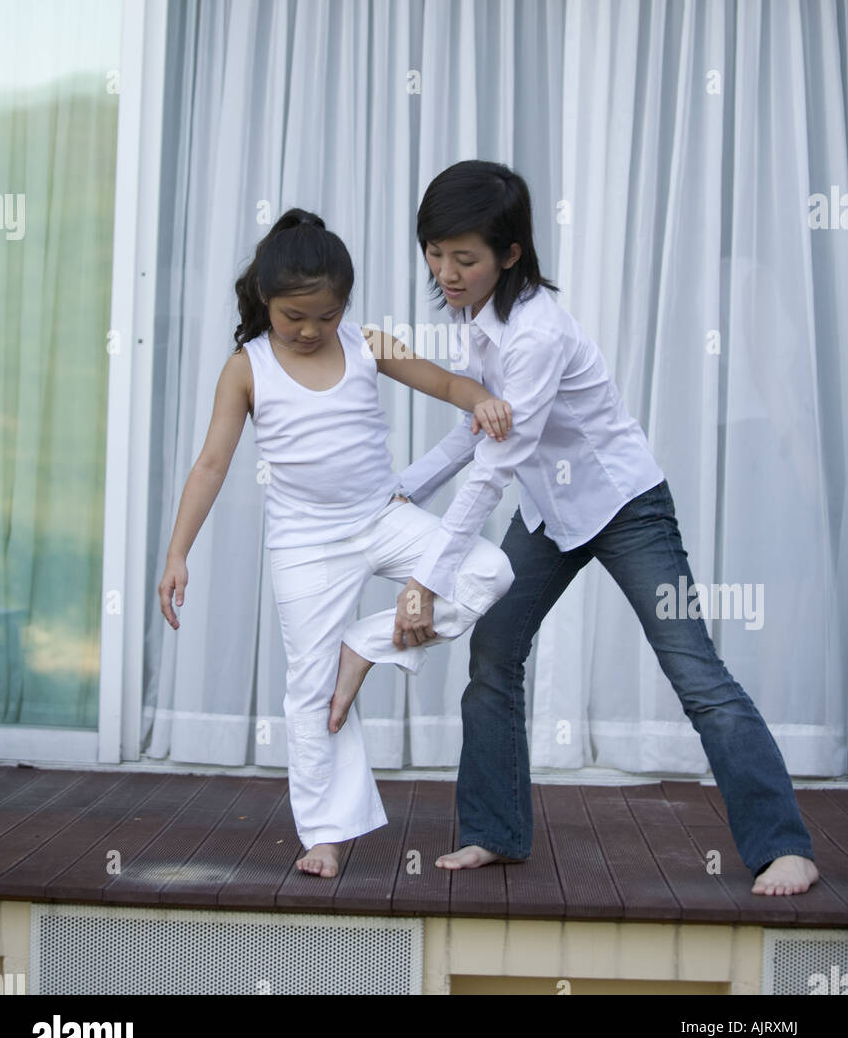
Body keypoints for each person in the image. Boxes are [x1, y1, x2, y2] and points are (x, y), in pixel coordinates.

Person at [332, 162, 819, 897]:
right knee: (494, 652)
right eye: (435, 253)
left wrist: (426, 580)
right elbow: (475, 431)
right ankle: (494, 832)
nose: (446, 272)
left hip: (625, 508)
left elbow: (493, 467)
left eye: (464, 258)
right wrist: (401, 490)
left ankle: (786, 847)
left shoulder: (537, 335)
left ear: (511, 253)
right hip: (551, 514)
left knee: (696, 674)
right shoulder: (477, 319)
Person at [158, 208, 515, 879]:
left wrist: (481, 400)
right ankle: (324, 832)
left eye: (326, 315)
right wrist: (178, 553)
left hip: (383, 518)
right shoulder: (247, 367)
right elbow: (210, 465)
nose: (311, 330)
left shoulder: (367, 344)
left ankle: (367, 645)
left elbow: (443, 381)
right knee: (310, 687)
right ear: (266, 301)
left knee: (489, 572)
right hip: (306, 545)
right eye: (295, 316)